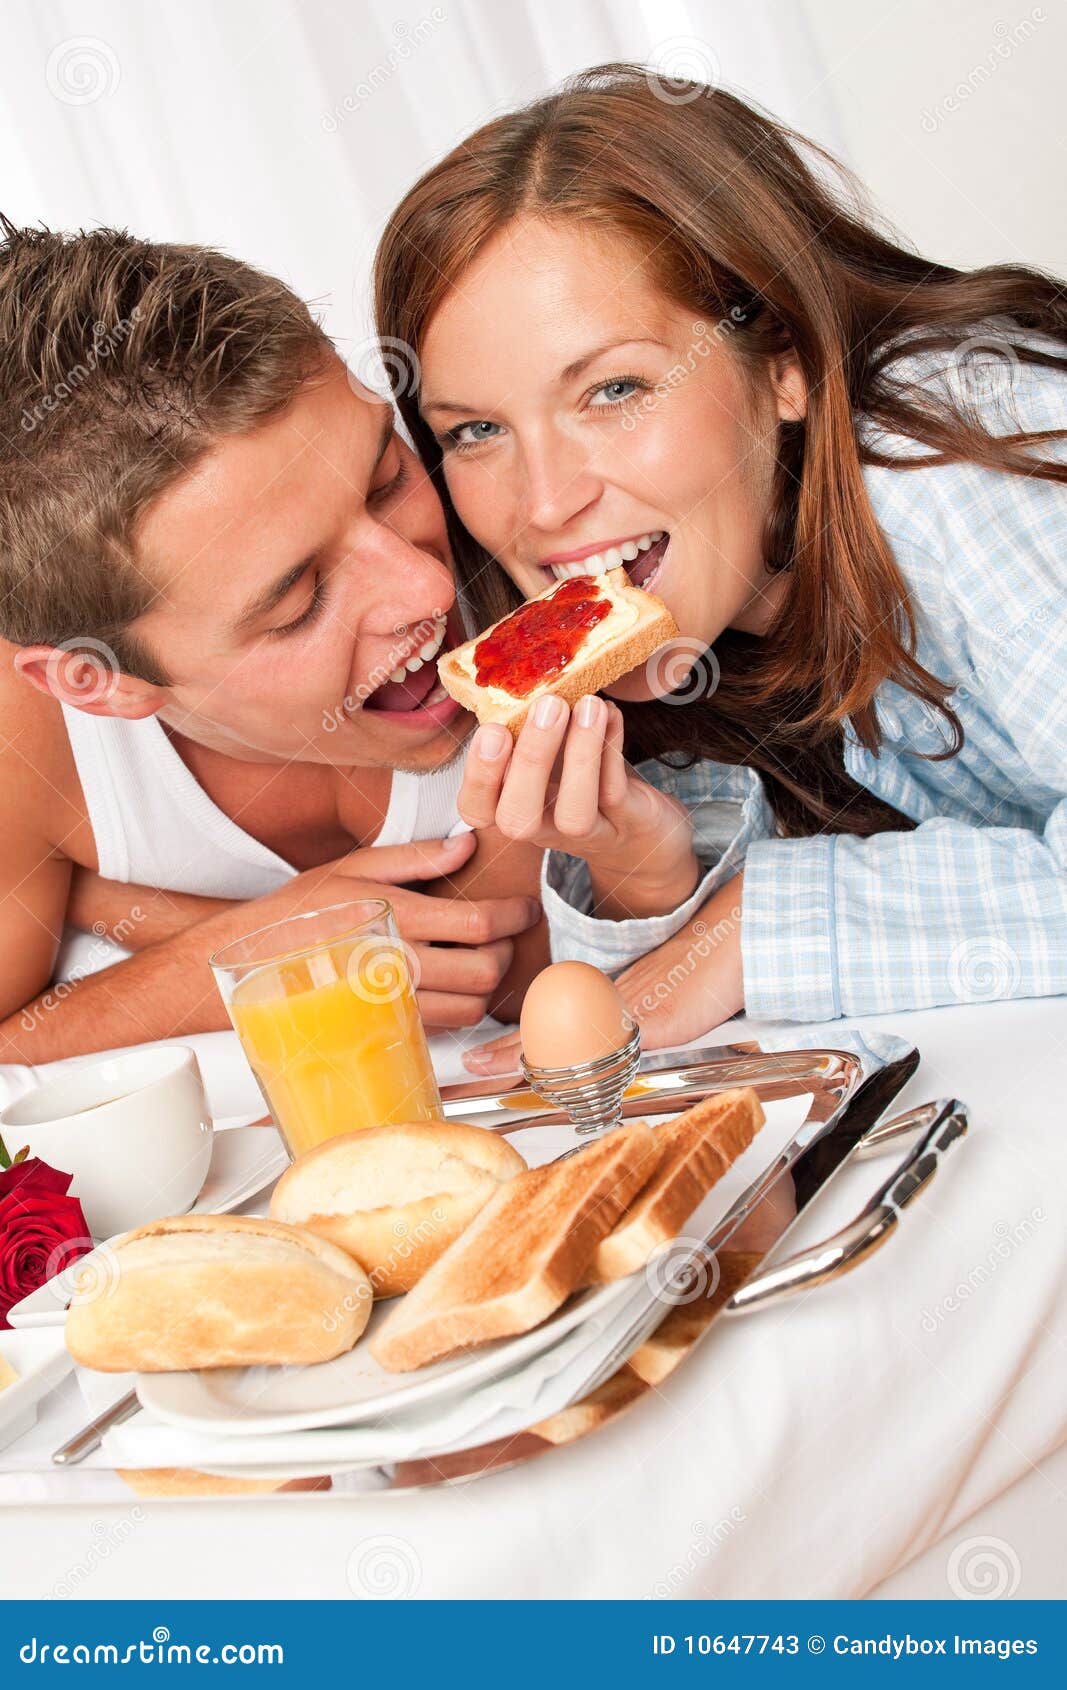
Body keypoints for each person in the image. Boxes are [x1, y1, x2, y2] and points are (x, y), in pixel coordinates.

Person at [371, 63, 1067, 1073]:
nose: (543, 503)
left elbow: (755, 957)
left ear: (780, 361)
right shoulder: (704, 612)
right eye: (476, 429)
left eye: (611, 389)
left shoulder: (963, 450)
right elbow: (690, 1006)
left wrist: (757, 924)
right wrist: (652, 873)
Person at [0, 222, 550, 1062]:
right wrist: (235, 956)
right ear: (98, 682)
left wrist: (107, 902)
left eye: (386, 480)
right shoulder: (28, 741)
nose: (431, 590)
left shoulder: (530, 524)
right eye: (298, 603)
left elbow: (510, 974)